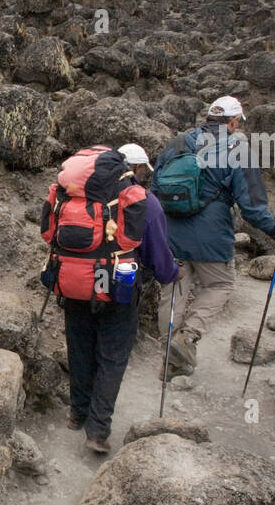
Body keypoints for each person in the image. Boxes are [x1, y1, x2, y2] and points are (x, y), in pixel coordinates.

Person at [41, 144, 179, 454]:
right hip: (119, 289)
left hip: (75, 284)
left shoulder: (72, 196)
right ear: (137, 169)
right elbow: (157, 257)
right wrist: (173, 274)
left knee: (80, 348)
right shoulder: (144, 202)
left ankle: (78, 413)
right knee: (112, 357)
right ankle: (97, 430)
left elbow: (49, 235)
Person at [150, 96, 275, 377]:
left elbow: (155, 188)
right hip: (212, 236)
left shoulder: (178, 142)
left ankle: (170, 358)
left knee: (174, 289)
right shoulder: (237, 148)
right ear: (233, 121)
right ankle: (188, 337)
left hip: (171, 233)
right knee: (220, 286)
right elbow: (251, 205)